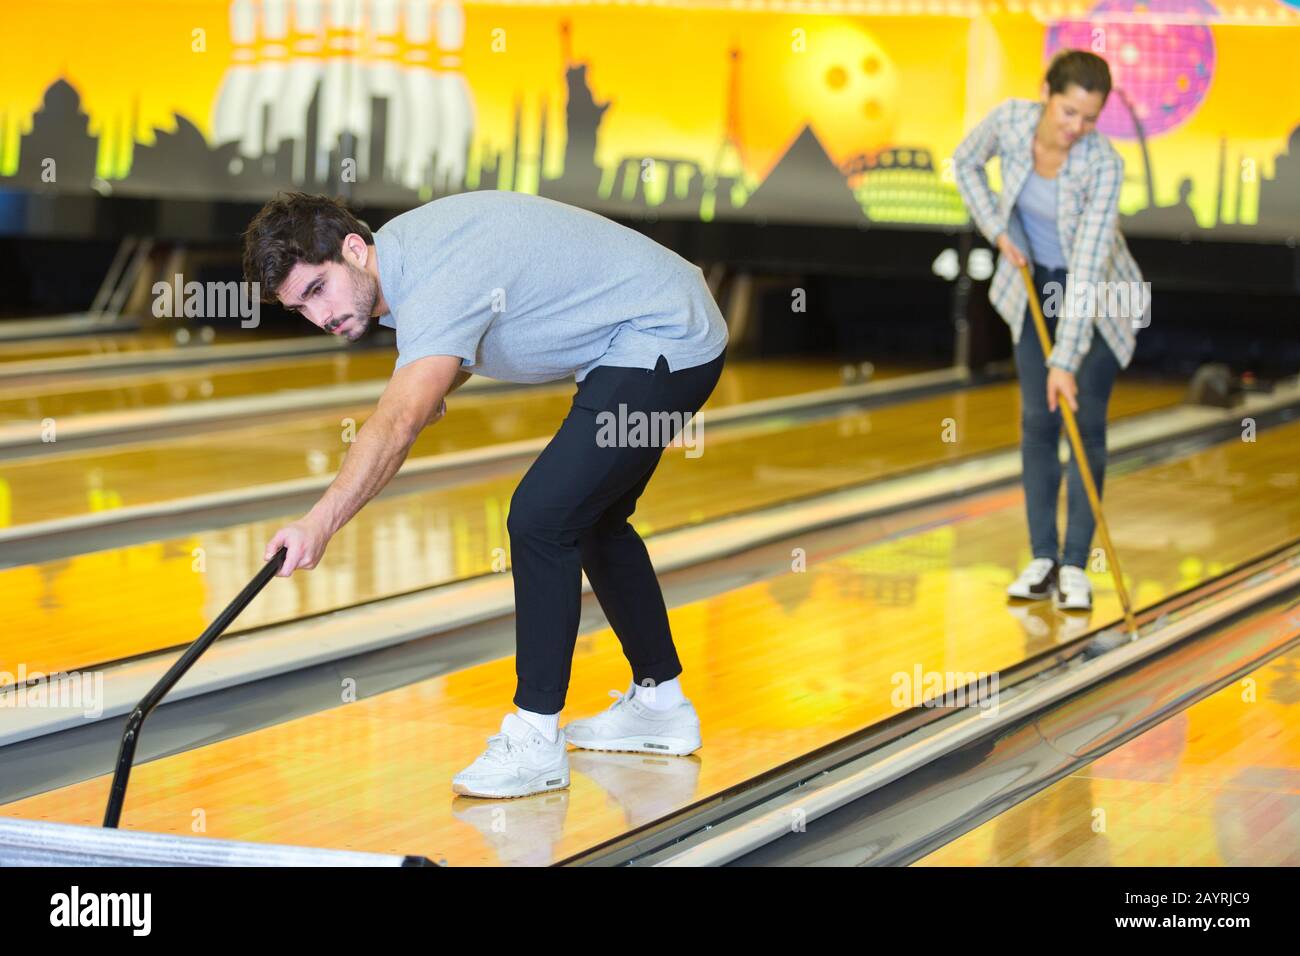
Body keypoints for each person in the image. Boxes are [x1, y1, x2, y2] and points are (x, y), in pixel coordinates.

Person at [241, 190, 728, 798]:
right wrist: (434, 380)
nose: (320, 317)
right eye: (299, 308)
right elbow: (487, 307)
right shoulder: (406, 261)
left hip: (666, 338)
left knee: (540, 517)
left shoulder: (434, 274)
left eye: (317, 290)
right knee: (591, 516)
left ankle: (535, 739)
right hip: (655, 328)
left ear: (354, 249)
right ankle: (660, 706)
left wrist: (319, 523)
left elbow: (396, 422)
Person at [952, 50, 1148, 612]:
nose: (1076, 128)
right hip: (1033, 284)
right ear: (1045, 92)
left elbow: (1087, 268)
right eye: (1068, 113)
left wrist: (1065, 360)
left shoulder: (1102, 162)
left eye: (1089, 118)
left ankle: (1075, 565)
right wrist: (996, 230)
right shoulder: (1010, 122)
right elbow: (964, 163)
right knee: (1039, 419)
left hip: (1101, 298)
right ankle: (1042, 557)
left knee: (1082, 423)